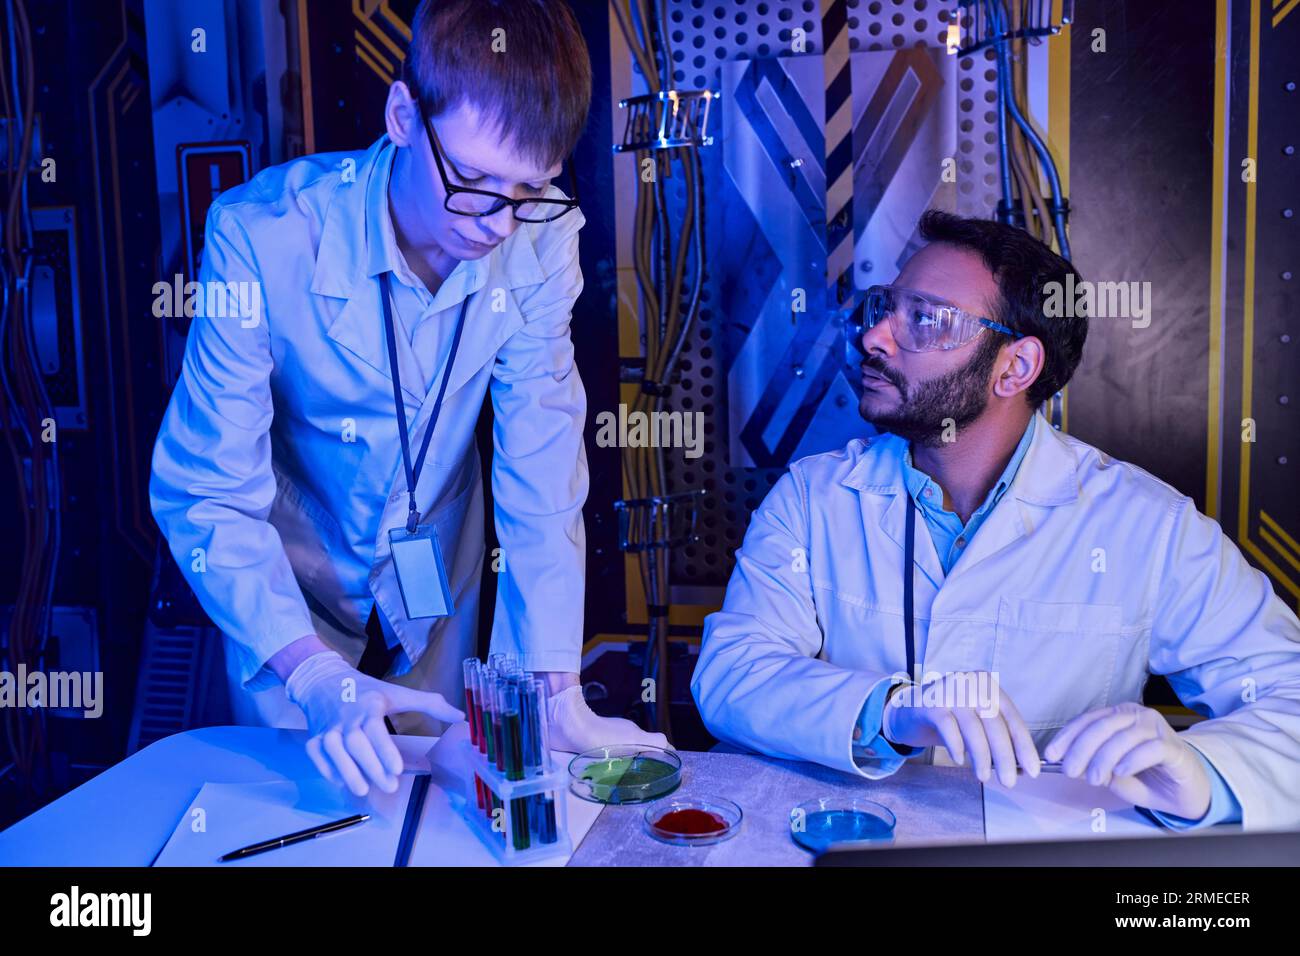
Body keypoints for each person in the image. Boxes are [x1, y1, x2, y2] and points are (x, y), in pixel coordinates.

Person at [150, 0, 666, 799]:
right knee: (313, 805)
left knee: (454, 797)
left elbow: (542, 467)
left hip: (437, 559)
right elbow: (206, 490)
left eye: (528, 189)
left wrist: (554, 687)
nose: (498, 223)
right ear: (401, 114)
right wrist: (317, 679)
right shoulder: (260, 237)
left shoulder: (543, 237)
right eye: (473, 182)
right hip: (287, 572)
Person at [691, 210, 1300, 830]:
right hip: (851, 842)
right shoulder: (813, 497)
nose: (875, 338)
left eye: (924, 319)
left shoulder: (1150, 528)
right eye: (886, 308)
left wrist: (1205, 776)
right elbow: (732, 673)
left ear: (1015, 368)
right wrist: (890, 713)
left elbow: (1290, 696)